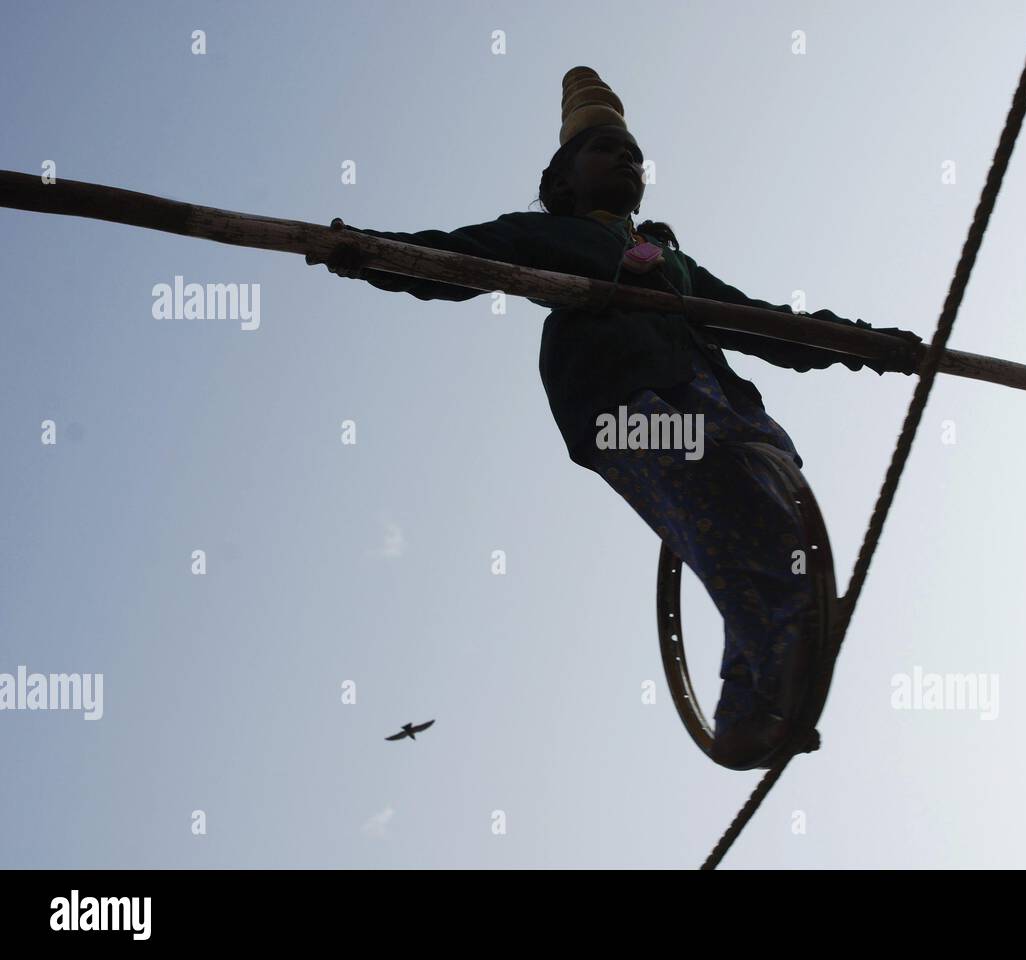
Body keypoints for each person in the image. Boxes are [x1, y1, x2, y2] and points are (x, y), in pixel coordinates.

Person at [307, 67, 923, 770]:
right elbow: (458, 259)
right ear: (563, 182)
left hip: (722, 403)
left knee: (772, 521)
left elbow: (763, 324)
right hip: (621, 405)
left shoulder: (676, 266)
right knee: (715, 481)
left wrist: (866, 345)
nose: (626, 160)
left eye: (632, 153)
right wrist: (361, 250)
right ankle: (775, 673)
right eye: (605, 150)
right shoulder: (551, 237)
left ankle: (755, 700)